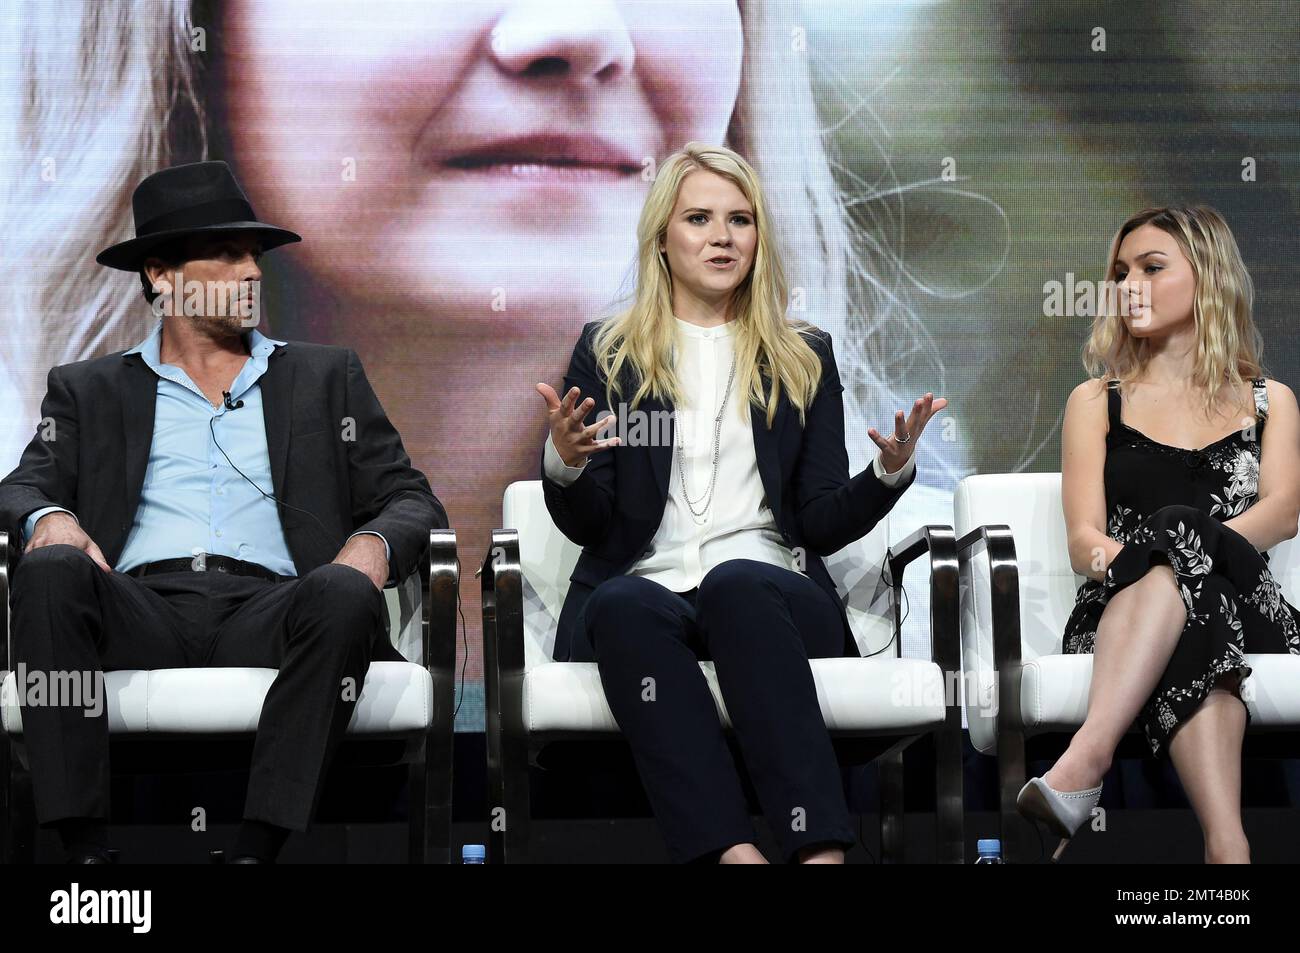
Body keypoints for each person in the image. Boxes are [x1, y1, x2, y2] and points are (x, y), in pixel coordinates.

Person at [0, 160, 446, 863]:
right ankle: (85, 851)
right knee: (50, 570)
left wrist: (371, 544)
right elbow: (23, 486)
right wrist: (50, 517)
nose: (250, 271)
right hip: (140, 608)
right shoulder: (89, 389)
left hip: (271, 609)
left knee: (344, 590)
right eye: (227, 253)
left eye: (255, 256)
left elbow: (409, 495)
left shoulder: (324, 377)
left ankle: (255, 849)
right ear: (159, 275)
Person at [536, 143, 946, 863]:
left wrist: (888, 472)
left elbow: (818, 516)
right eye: (699, 218)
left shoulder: (801, 354)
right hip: (647, 599)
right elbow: (595, 522)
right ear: (663, 237)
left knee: (736, 582)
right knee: (624, 604)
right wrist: (566, 465)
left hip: (772, 599)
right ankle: (734, 855)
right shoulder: (607, 351)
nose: (723, 236)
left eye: (740, 219)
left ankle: (819, 851)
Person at [1020, 205, 1300, 863]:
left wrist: (1182, 546)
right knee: (1197, 603)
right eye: (1119, 273)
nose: (1128, 286)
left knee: (1186, 543)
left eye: (1151, 267)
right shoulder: (1096, 401)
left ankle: (1087, 756)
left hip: (1248, 596)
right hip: (1121, 607)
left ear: (1207, 277)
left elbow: (1284, 511)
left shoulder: (1269, 400)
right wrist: (1155, 567)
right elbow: (1084, 539)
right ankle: (1228, 848)